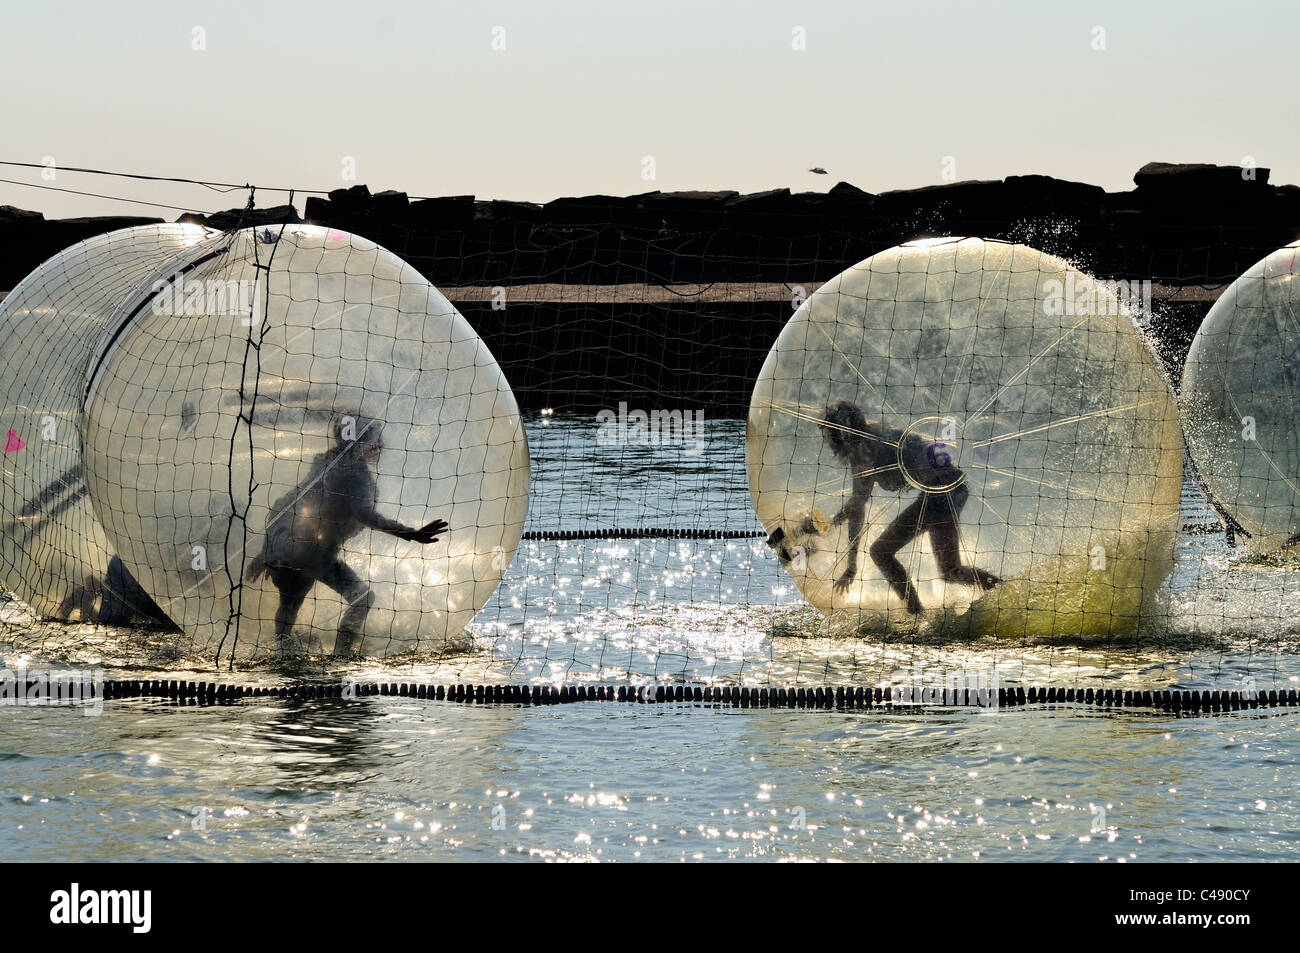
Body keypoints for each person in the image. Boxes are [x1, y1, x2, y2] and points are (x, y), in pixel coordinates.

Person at [246, 413, 447, 656]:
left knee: (289, 608)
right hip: (315, 555)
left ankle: (283, 658)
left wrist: (269, 549)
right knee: (362, 598)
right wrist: (411, 534)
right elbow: (365, 514)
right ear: (359, 442)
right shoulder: (354, 474)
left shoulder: (326, 464)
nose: (381, 444)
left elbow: (284, 505)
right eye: (375, 438)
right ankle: (341, 656)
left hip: (290, 551)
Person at [818, 400, 1000, 613]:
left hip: (939, 492)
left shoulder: (863, 452)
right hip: (953, 486)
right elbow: (858, 501)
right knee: (951, 571)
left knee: (880, 552)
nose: (829, 442)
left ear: (843, 435)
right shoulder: (876, 429)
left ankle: (917, 615)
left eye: (830, 434)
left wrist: (850, 566)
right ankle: (1004, 591)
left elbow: (857, 506)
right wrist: (835, 520)